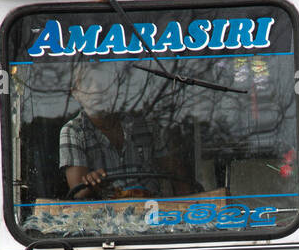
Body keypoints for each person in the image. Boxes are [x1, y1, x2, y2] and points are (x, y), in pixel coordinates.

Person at [59, 60, 200, 201]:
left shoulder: (146, 126)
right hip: (106, 217)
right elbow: (78, 193)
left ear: (116, 87)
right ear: (75, 93)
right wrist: (92, 183)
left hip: (153, 212)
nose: (96, 90)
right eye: (87, 84)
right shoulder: (73, 131)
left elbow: (176, 173)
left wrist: (190, 207)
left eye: (104, 83)